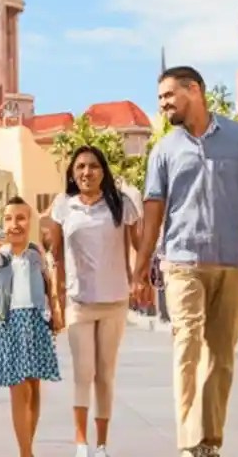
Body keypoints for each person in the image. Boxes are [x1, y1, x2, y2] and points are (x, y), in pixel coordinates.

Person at [130, 66, 238, 457]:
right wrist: (141, 266)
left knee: (222, 356)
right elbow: (153, 212)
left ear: (193, 90)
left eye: (167, 96)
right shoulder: (163, 150)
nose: (162, 105)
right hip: (182, 262)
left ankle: (210, 442)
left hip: (230, 263)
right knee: (187, 344)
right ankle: (188, 443)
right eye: (159, 98)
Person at [45, 145, 142, 457]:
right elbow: (56, 256)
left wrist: (143, 278)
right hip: (78, 303)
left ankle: (101, 444)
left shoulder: (121, 204)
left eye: (93, 166)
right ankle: (80, 443)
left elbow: (139, 245)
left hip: (114, 300)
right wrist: (55, 302)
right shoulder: (63, 206)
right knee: (83, 371)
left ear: (103, 171)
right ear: (73, 174)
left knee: (105, 372)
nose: (87, 172)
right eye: (81, 167)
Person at [0, 196, 63, 457]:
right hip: (7, 325)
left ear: (28, 221)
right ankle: (26, 453)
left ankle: (26, 448)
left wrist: (55, 313)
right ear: (3, 223)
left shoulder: (36, 255)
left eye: (20, 218)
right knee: (18, 389)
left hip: (34, 323)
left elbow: (50, 287)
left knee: (33, 388)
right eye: (9, 218)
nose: (15, 224)